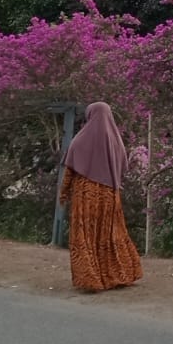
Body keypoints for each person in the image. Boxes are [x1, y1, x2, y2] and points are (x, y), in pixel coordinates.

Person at [59, 102, 143, 294]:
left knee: (86, 235)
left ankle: (91, 279)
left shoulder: (80, 141)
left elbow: (69, 171)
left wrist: (64, 193)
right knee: (111, 234)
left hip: (86, 196)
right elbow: (123, 167)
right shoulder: (116, 142)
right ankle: (118, 275)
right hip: (110, 195)